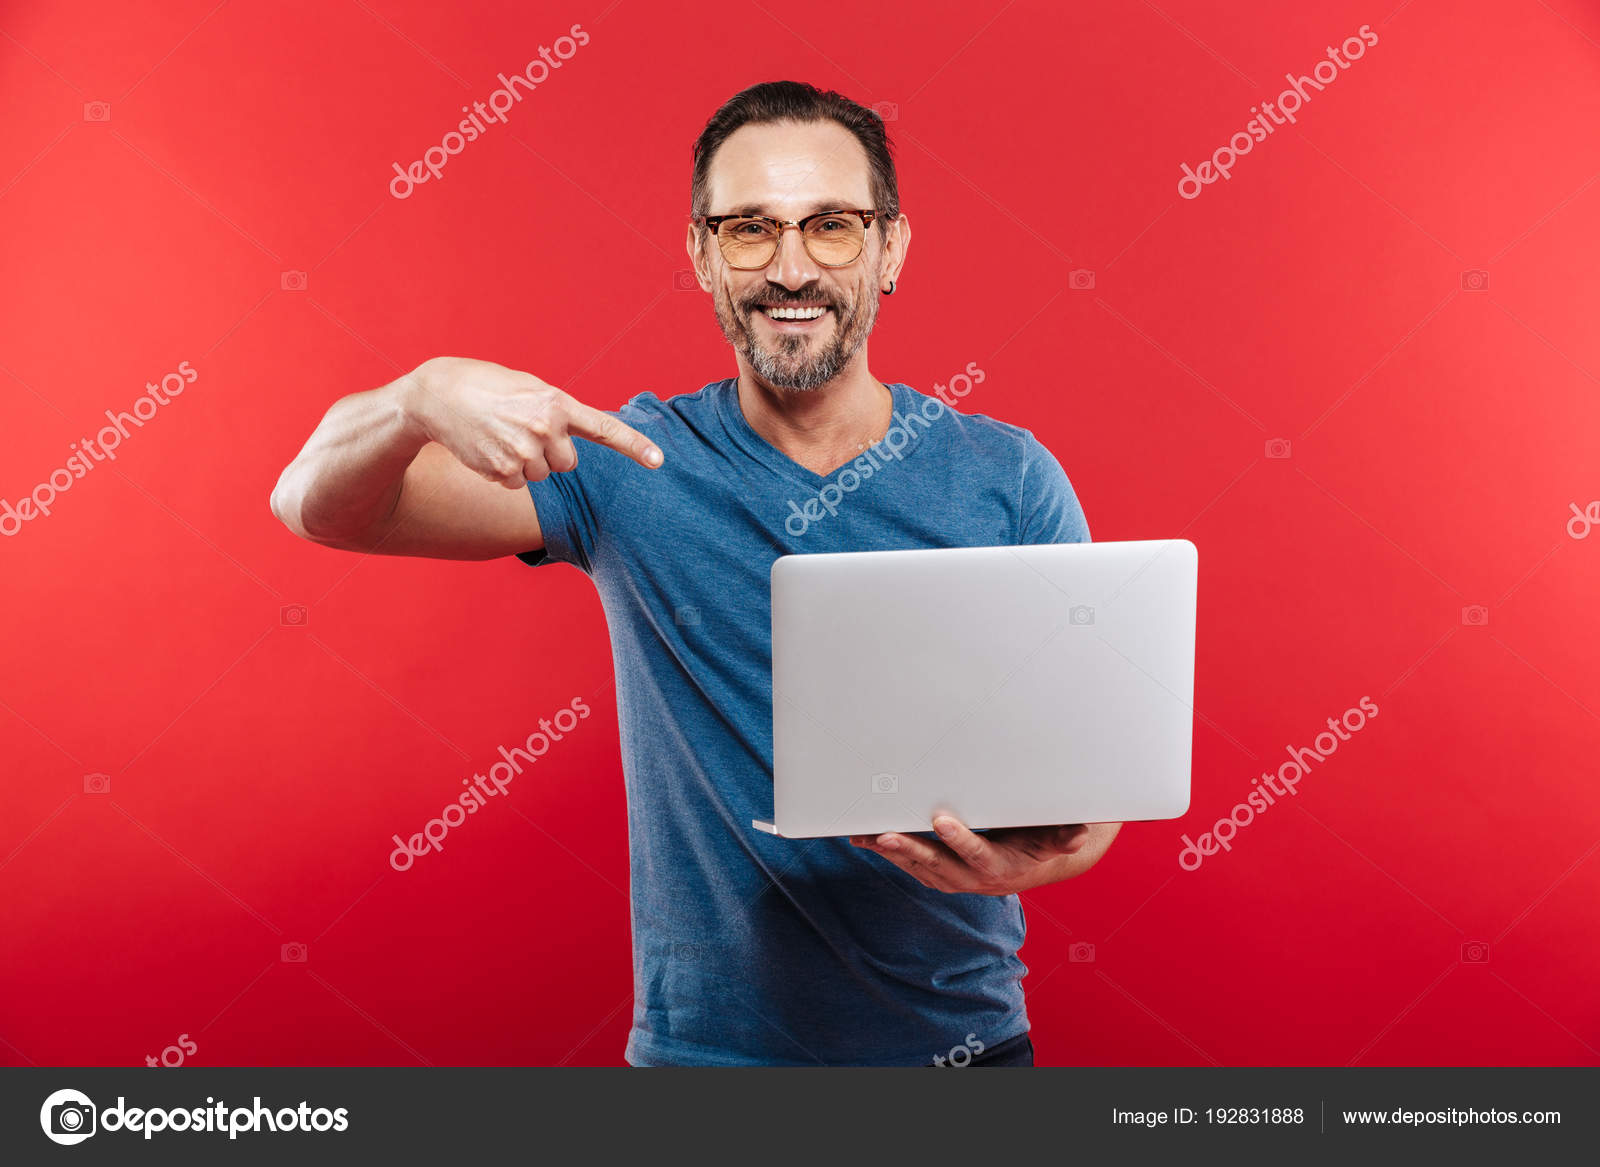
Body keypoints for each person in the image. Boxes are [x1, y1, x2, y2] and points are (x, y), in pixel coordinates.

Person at [271, 80, 1120, 1066]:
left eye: (832, 227)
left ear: (891, 249)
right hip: (703, 1067)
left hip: (962, 1054)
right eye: (749, 229)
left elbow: (1093, 795)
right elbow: (317, 505)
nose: (791, 267)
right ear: (701, 255)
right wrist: (415, 397)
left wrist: (1032, 862)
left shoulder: (1008, 478)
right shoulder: (627, 462)